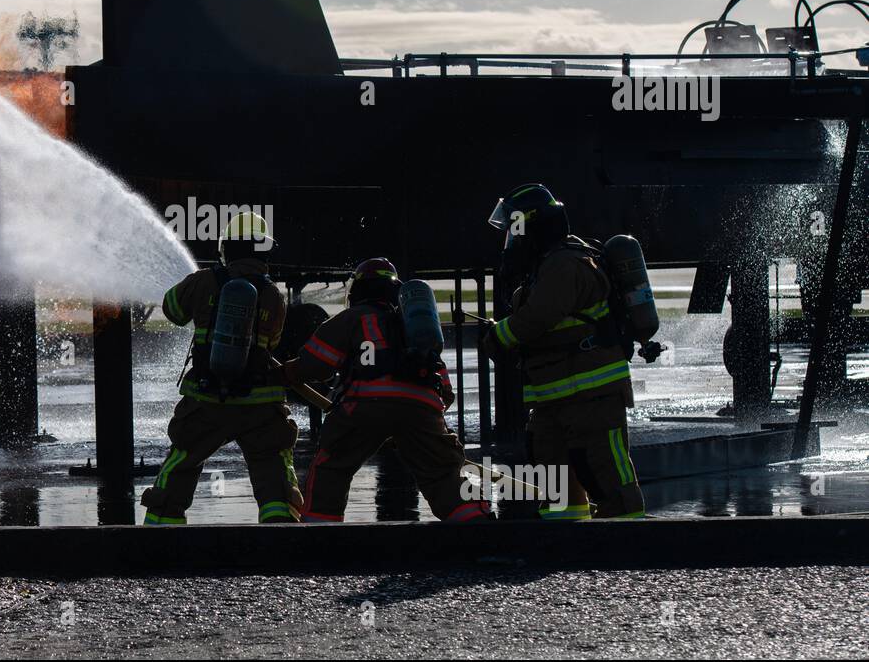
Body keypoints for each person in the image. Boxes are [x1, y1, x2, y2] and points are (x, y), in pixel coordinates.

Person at [482, 183, 645, 520]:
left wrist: (499, 335)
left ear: (533, 227)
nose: (512, 241)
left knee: (606, 471)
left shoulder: (565, 265)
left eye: (516, 231)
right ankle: (562, 548)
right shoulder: (545, 268)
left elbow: (537, 317)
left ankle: (632, 545)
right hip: (554, 398)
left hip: (591, 395)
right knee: (556, 482)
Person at [282, 258, 489, 523]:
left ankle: (321, 533)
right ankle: (478, 526)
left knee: (332, 467)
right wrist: (409, 424)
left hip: (363, 406)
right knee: (442, 474)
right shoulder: (415, 331)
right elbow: (444, 391)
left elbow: (314, 365)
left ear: (357, 291)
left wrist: (285, 373)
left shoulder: (352, 318)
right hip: (423, 407)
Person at [139, 212, 302, 524]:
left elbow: (172, 310)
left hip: (206, 400)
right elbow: (275, 341)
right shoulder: (273, 296)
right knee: (271, 464)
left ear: (226, 248)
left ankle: (160, 531)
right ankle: (281, 535)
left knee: (183, 460)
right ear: (264, 252)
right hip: (260, 404)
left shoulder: (203, 282)